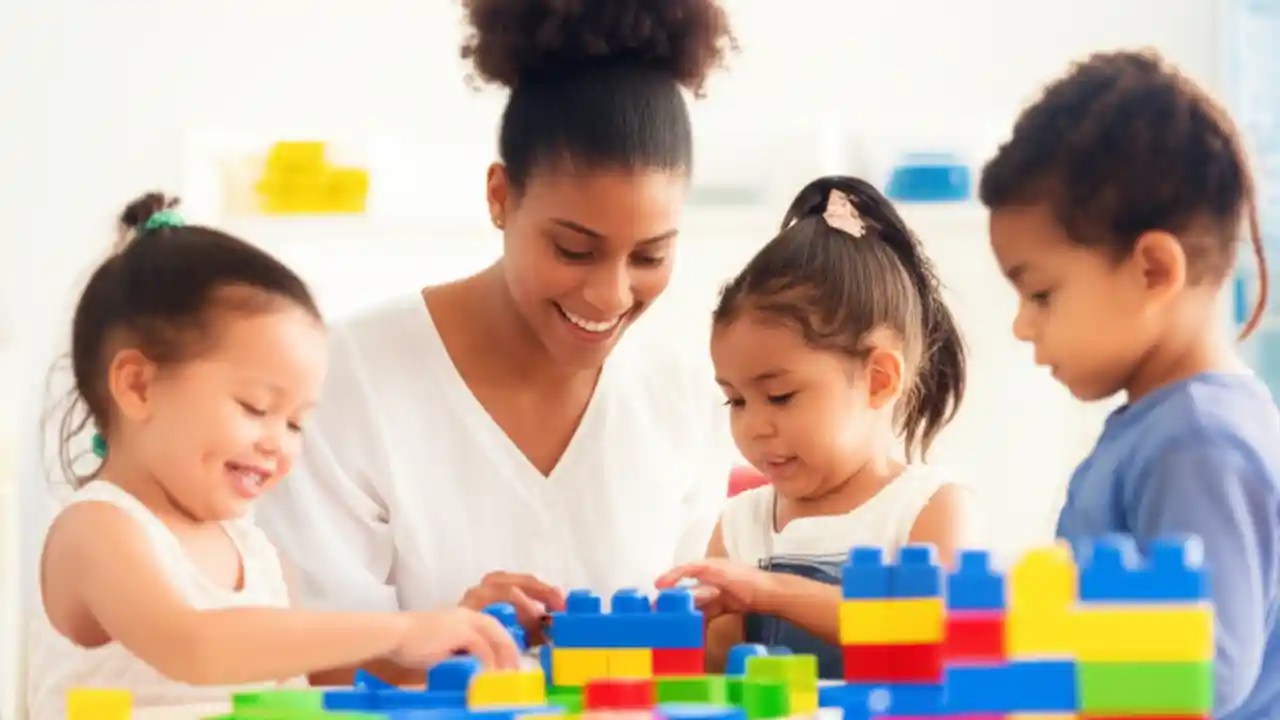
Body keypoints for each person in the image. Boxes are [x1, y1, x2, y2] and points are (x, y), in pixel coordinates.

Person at [253, 0, 739, 684]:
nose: (611, 295)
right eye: (574, 249)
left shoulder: (682, 394)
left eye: (650, 256)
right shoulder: (346, 381)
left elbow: (694, 657)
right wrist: (433, 643)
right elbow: (303, 665)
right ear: (500, 197)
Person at [27, 194, 519, 720]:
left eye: (295, 422)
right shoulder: (99, 529)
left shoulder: (253, 550)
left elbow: (293, 697)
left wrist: (425, 684)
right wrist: (402, 630)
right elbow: (197, 647)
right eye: (256, 407)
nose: (278, 443)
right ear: (139, 386)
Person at [980, 50, 1280, 719]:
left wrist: (1040, 635)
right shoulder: (1164, 425)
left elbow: (1210, 670)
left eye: (1041, 293)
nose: (1023, 326)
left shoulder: (1200, 440)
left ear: (1151, 271)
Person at [657, 176, 978, 678]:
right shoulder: (741, 524)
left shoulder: (927, 509)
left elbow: (937, 640)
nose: (755, 427)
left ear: (878, 379)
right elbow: (716, 668)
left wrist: (773, 593)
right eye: (736, 400)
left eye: (780, 396)